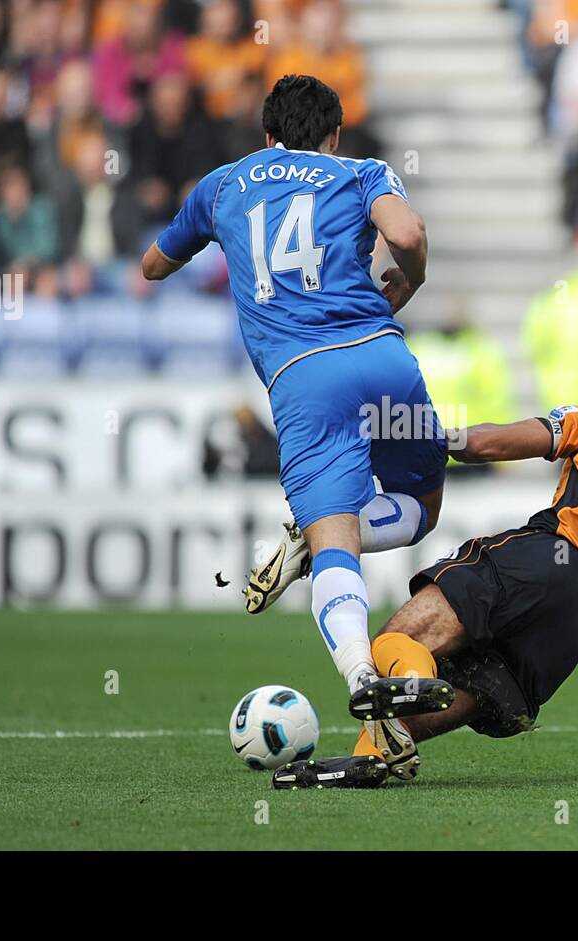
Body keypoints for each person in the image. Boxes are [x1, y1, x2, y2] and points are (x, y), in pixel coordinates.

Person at [141, 75, 450, 779]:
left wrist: (185, 251)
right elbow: (408, 233)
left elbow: (154, 267)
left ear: (266, 134)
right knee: (423, 512)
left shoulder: (223, 186)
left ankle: (357, 671)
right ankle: (316, 543)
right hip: (382, 358)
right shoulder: (362, 170)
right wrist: (411, 281)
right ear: (334, 134)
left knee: (333, 534)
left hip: (304, 379)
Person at [273, 375, 578, 791]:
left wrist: (425, 438)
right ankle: (370, 755)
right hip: (572, 634)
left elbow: (486, 446)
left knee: (395, 643)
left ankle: (410, 678)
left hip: (545, 560)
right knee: (480, 685)